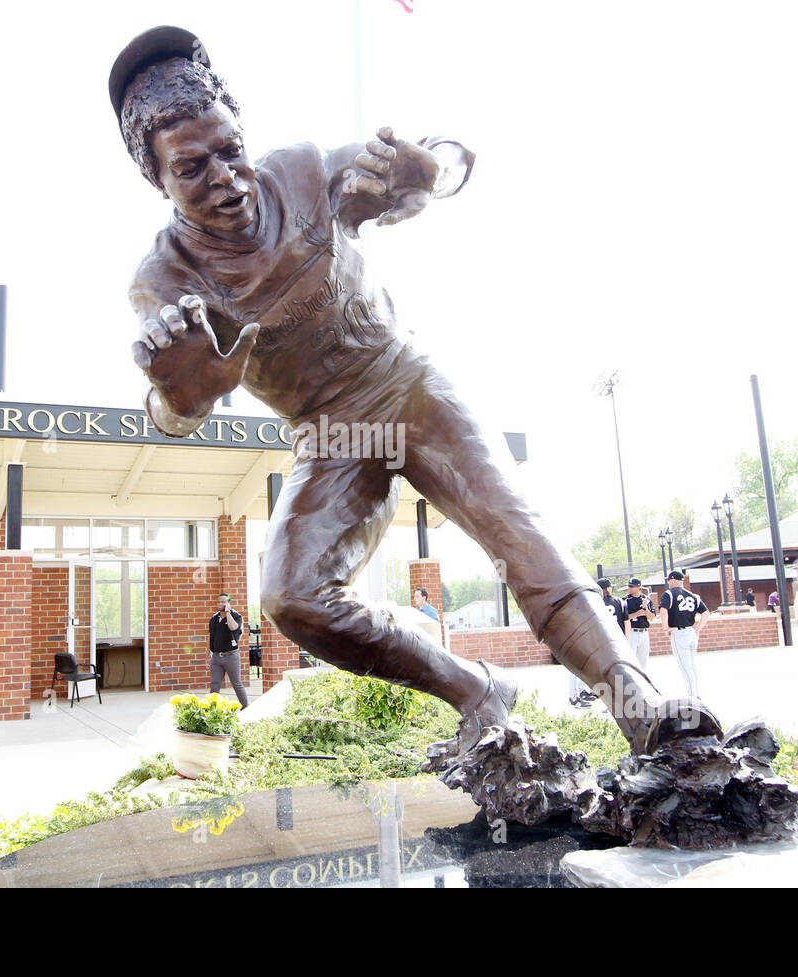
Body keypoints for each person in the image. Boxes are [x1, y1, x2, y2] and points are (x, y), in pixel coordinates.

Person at [112, 27, 720, 755]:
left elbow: (451, 160)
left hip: (405, 384)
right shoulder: (165, 278)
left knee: (511, 524)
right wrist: (182, 396)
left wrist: (422, 168)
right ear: (157, 180)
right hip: (332, 436)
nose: (228, 180)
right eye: (193, 170)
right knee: (291, 597)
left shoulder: (301, 169)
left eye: (230, 151)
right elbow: (168, 410)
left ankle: (638, 700)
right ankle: (477, 690)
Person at [571, 579, 627, 707]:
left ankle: (582, 691)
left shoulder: (591, 601)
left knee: (585, 667)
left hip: (591, 637)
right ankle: (574, 695)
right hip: (588, 638)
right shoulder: (597, 601)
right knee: (578, 667)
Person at [656, 570, 709, 698]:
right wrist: (698, 630)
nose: (668, 583)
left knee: (685, 667)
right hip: (691, 631)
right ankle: (695, 693)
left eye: (669, 580)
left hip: (679, 633)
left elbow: (663, 611)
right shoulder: (693, 595)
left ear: (673, 580)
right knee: (692, 666)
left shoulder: (669, 593)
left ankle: (692, 696)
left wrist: (665, 629)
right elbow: (706, 613)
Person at [208, 593, 249, 708]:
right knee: (215, 684)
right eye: (219, 601)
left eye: (223, 601)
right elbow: (211, 637)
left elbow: (233, 627)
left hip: (231, 656)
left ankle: (245, 707)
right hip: (216, 657)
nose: (220, 604)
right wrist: (208, 656)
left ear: (228, 603)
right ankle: (212, 710)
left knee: (236, 683)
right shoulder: (214, 619)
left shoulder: (236, 616)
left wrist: (227, 612)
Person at [622, 577, 656, 669]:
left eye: (632, 586)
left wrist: (645, 609)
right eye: (629, 586)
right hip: (631, 632)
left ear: (639, 587)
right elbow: (623, 618)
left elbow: (652, 617)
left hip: (644, 632)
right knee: (631, 660)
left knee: (643, 662)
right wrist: (637, 613)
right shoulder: (625, 600)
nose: (630, 588)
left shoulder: (646, 599)